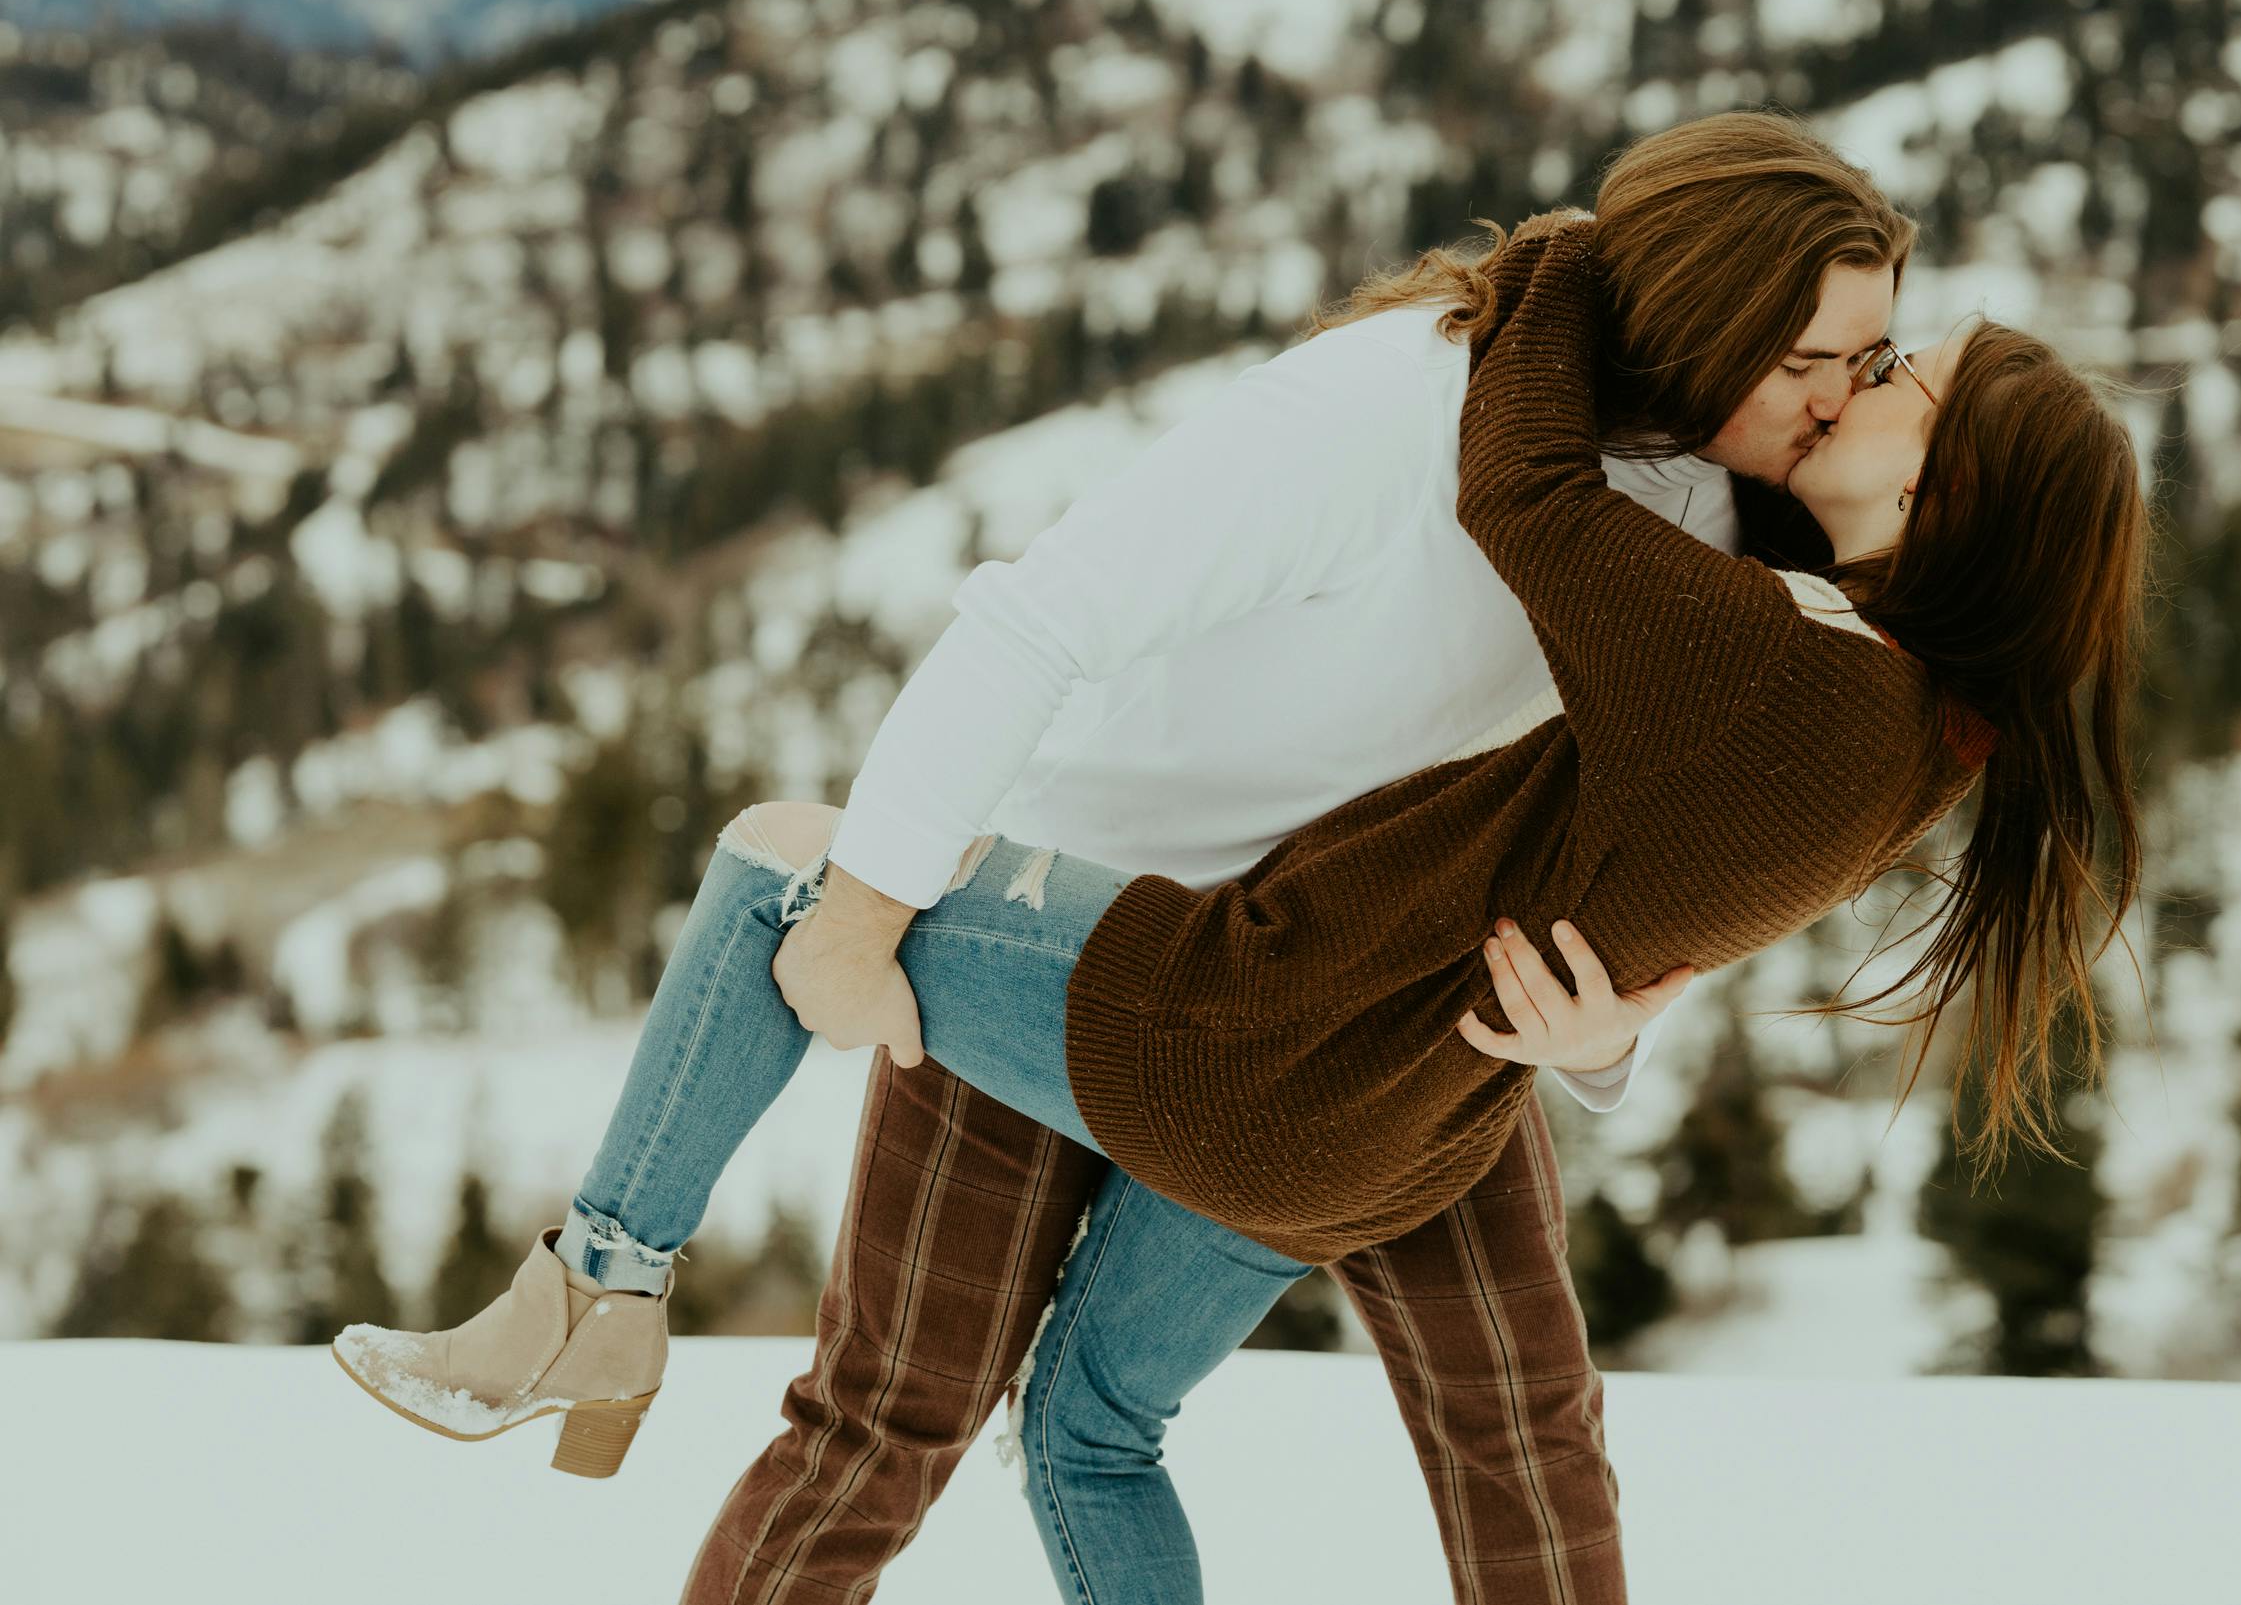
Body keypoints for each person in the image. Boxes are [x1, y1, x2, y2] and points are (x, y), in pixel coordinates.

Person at [336, 128, 2148, 1604]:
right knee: (921, 1416)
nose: (1833, 399)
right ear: (1705, 317)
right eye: (1813, 357)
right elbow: (1034, 620)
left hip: (1317, 1009)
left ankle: (594, 1279)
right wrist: (882, 892)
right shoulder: (1394, 414)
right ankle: (591, 1300)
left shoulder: (1723, 549)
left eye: (1874, 366)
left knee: (1507, 1418)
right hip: (1122, 903)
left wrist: (1601, 1038)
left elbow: (1643, 831)